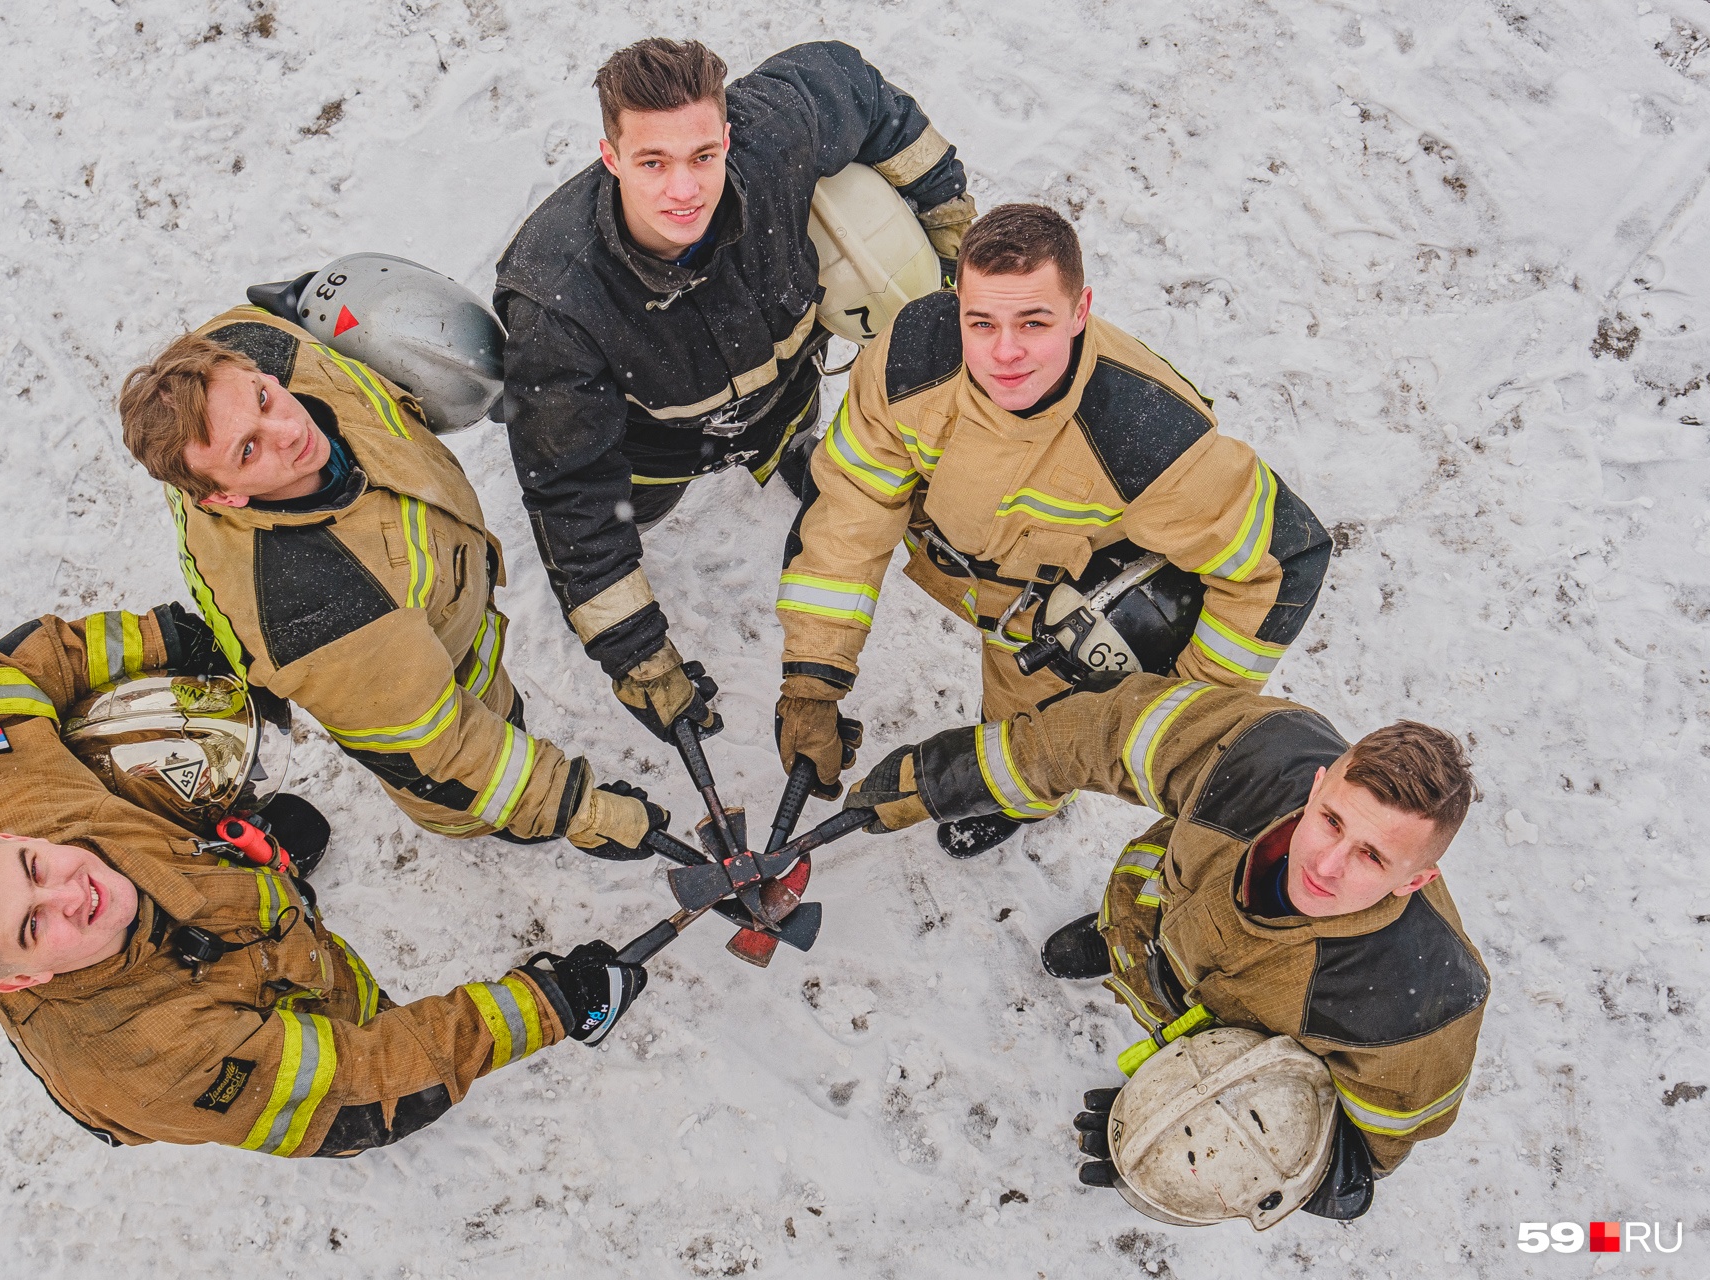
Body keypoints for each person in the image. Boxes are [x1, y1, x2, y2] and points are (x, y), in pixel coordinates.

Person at [0, 606, 650, 1156]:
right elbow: (367, 1091)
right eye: (35, 926)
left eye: (36, 867)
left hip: (165, 875)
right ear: (17, 981)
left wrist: (168, 636)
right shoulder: (159, 1060)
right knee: (345, 1027)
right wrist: (549, 1003)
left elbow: (1, 671)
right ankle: (271, 925)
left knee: (189, 830)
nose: (71, 892)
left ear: (7, 835)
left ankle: (251, 866)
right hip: (188, 1047)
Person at [773, 203, 1331, 854]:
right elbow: (853, 507)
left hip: (1061, 609)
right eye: (981, 322)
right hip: (953, 542)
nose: (1005, 353)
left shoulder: (1149, 438)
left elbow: (1284, 557)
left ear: (1080, 310)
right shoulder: (907, 360)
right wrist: (812, 682)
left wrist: (1174, 697)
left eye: (1033, 322)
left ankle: (1016, 802)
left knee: (1030, 722)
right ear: (956, 305)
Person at [844, 673, 1487, 1210]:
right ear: (1318, 785)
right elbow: (1104, 731)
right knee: (1132, 932)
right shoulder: (1258, 751)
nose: (1325, 865)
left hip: (1208, 1035)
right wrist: (955, 774)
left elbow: (1363, 1157)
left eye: (1372, 857)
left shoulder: (1423, 1002)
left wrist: (1210, 1139)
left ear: (1418, 879)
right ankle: (1118, 948)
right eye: (1331, 821)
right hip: (1151, 919)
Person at [494, 37, 974, 747]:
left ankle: (787, 447)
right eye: (652, 162)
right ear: (611, 157)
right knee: (633, 513)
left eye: (702, 157)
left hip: (786, 390)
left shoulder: (774, 133)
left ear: (728, 137)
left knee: (795, 430)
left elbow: (861, 91)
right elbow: (575, 499)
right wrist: (639, 658)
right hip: (659, 452)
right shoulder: (557, 304)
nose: (684, 190)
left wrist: (952, 227)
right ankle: (656, 513)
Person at [118, 305, 666, 855]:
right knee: (482, 760)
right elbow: (440, 752)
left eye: (263, 398)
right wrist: (572, 807)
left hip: (440, 621)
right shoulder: (320, 617)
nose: (288, 429)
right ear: (222, 498)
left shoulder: (246, 343)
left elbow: (310, 312)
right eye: (248, 449)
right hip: (432, 724)